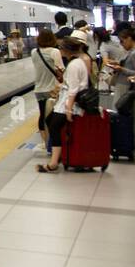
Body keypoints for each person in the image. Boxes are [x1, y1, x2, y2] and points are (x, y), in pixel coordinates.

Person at [37, 36, 90, 173]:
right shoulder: (78, 62)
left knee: (53, 125)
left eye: (61, 48)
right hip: (67, 102)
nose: (59, 50)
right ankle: (58, 156)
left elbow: (73, 89)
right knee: (50, 121)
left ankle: (54, 162)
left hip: (69, 104)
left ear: (66, 50)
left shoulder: (73, 65)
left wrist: (68, 109)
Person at [31, 29, 64, 150]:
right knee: (53, 117)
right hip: (52, 89)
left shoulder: (34, 52)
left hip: (38, 89)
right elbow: (60, 70)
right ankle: (52, 142)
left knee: (42, 115)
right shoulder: (55, 51)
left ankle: (45, 143)